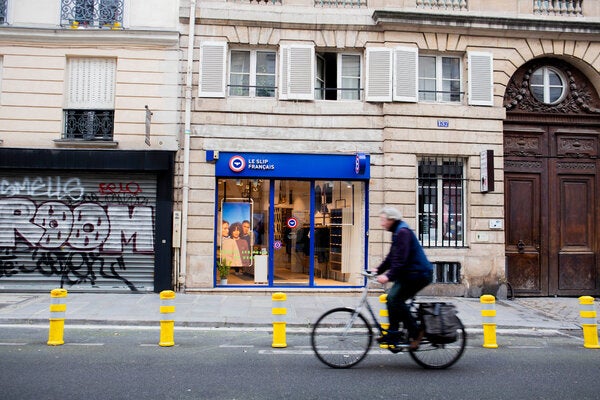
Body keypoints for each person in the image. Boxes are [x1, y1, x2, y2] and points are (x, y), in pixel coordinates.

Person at [375, 206, 433, 349]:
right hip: (410, 274)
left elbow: (401, 260)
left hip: (418, 274)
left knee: (396, 299)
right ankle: (393, 333)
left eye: (383, 220)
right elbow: (391, 257)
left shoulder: (402, 232)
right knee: (391, 299)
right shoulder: (397, 231)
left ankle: (416, 332)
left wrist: (388, 276)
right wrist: (377, 270)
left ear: (391, 220)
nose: (382, 224)